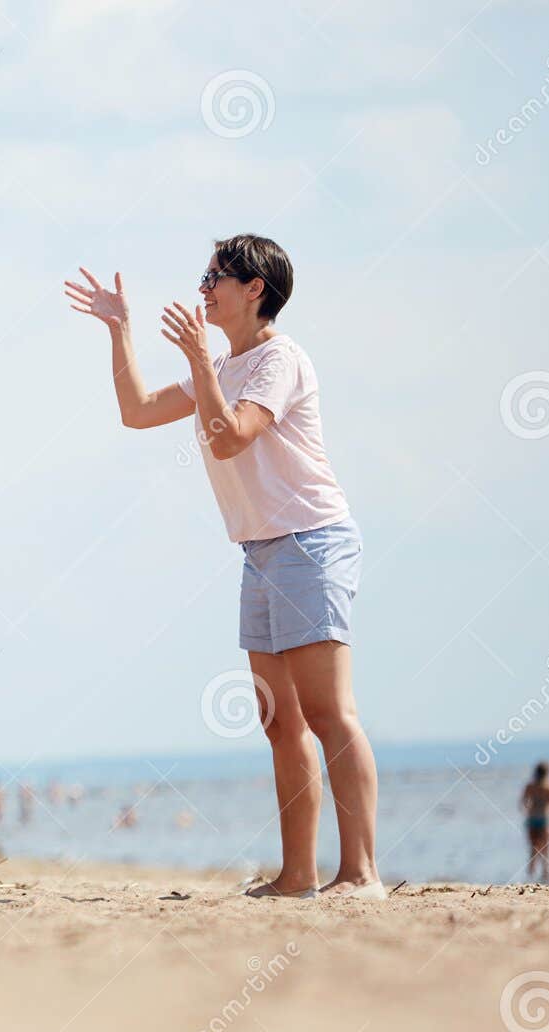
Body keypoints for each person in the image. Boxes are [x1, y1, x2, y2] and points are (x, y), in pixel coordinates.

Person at [67, 235, 383, 900]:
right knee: (279, 720)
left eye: (217, 276)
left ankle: (360, 874)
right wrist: (120, 330)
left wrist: (200, 366)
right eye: (205, 274)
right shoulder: (223, 365)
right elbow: (137, 411)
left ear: (255, 290)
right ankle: (298, 876)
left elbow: (233, 434)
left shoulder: (278, 359)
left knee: (328, 713)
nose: (204, 286)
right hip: (261, 549)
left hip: (310, 539)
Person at [521, 761, 549, 883]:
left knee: (533, 849)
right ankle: (546, 877)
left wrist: (528, 811)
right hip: (544, 819)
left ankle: (530, 877)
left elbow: (523, 803)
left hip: (532, 819)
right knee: (547, 850)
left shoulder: (530, 786)